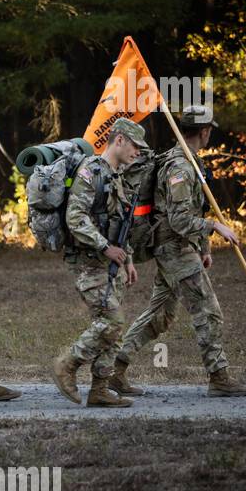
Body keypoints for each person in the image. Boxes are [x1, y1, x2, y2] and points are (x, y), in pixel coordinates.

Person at [113, 105, 246, 397]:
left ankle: (115, 369)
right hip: (173, 247)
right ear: (204, 131)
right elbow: (179, 220)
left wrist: (204, 246)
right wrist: (214, 227)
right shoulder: (180, 166)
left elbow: (194, 208)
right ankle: (219, 377)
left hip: (182, 246)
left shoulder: (191, 162)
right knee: (207, 309)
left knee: (160, 315)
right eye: (209, 130)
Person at [53, 118, 150, 407]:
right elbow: (75, 218)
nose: (138, 152)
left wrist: (128, 259)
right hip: (89, 262)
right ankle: (67, 364)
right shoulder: (89, 172)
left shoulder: (117, 175)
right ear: (118, 140)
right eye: (134, 146)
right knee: (111, 320)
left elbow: (121, 223)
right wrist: (105, 247)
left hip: (111, 262)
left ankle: (100, 388)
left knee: (114, 328)